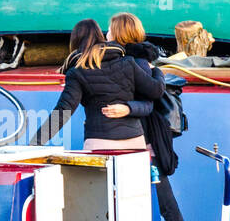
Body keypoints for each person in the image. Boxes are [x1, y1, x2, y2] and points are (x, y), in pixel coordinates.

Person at [106, 11, 188, 221]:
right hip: (143, 143)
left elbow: (150, 99)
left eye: (109, 29)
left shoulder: (133, 63)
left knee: (166, 205)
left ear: (118, 33)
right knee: (163, 206)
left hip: (145, 144)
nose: (106, 34)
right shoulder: (140, 61)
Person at [33, 18, 163, 152]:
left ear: (75, 42)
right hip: (134, 140)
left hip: (100, 141)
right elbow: (156, 91)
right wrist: (156, 69)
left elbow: (63, 111)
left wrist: (36, 143)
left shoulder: (77, 72)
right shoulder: (128, 62)